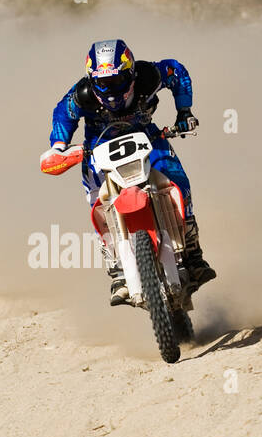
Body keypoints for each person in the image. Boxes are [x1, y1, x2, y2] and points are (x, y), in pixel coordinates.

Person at [47, 38, 216, 305]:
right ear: (92, 80)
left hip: (147, 137)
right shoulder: (81, 95)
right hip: (99, 149)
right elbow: (62, 115)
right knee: (97, 200)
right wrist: (59, 148)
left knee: (178, 182)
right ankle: (116, 268)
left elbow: (176, 71)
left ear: (132, 72)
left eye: (118, 80)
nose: (111, 88)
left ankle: (193, 252)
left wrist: (184, 111)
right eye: (104, 82)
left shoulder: (149, 76)